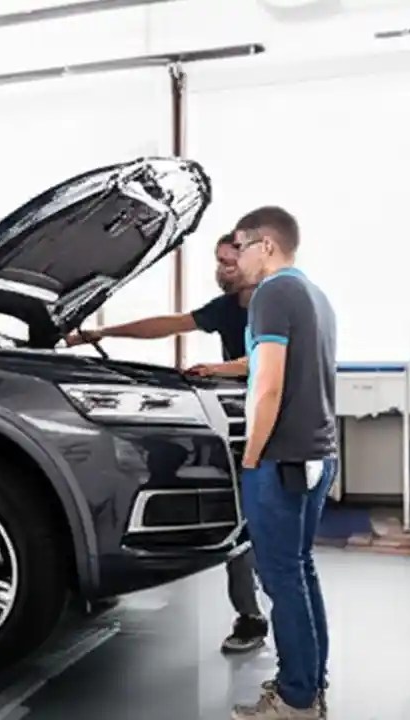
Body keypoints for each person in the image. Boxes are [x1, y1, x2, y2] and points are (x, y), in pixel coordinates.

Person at [65, 233, 270, 655]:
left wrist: (217, 368)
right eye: (218, 262)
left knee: (272, 532)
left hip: (282, 426)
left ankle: (290, 634)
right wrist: (99, 332)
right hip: (242, 422)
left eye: (229, 263)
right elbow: (169, 324)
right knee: (242, 525)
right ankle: (250, 617)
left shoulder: (276, 304)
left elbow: (270, 360)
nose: (221, 271)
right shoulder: (226, 309)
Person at [228, 207, 338, 720]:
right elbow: (278, 364)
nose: (235, 258)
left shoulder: (271, 294)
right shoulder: (315, 295)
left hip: (281, 459)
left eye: (240, 245)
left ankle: (295, 700)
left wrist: (251, 457)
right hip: (318, 454)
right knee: (300, 571)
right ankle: (310, 684)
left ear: (266, 245)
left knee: (280, 576)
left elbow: (269, 385)